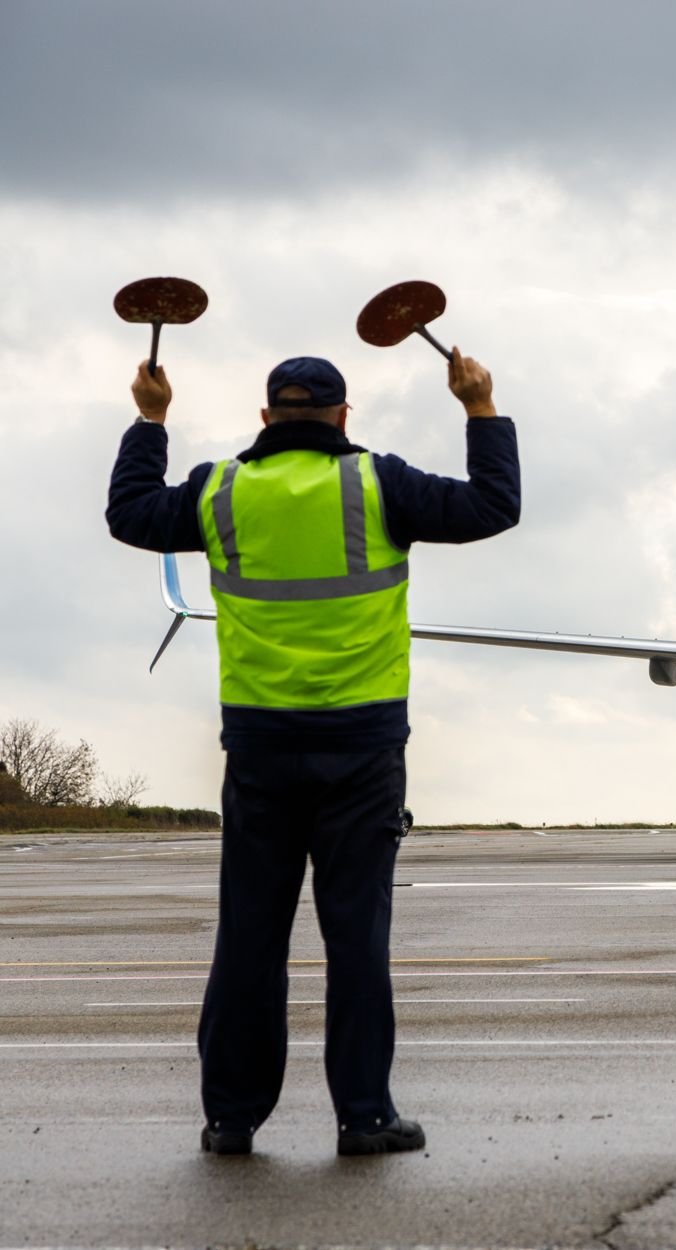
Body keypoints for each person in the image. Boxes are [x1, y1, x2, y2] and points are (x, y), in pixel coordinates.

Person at [105, 350, 520, 1156]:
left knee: (249, 937)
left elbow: (130, 514)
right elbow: (492, 506)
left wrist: (150, 420)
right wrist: (480, 406)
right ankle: (364, 1116)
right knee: (355, 937)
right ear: (342, 416)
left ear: (266, 419)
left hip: (259, 745)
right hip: (362, 748)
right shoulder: (379, 484)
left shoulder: (220, 489)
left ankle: (230, 1119)